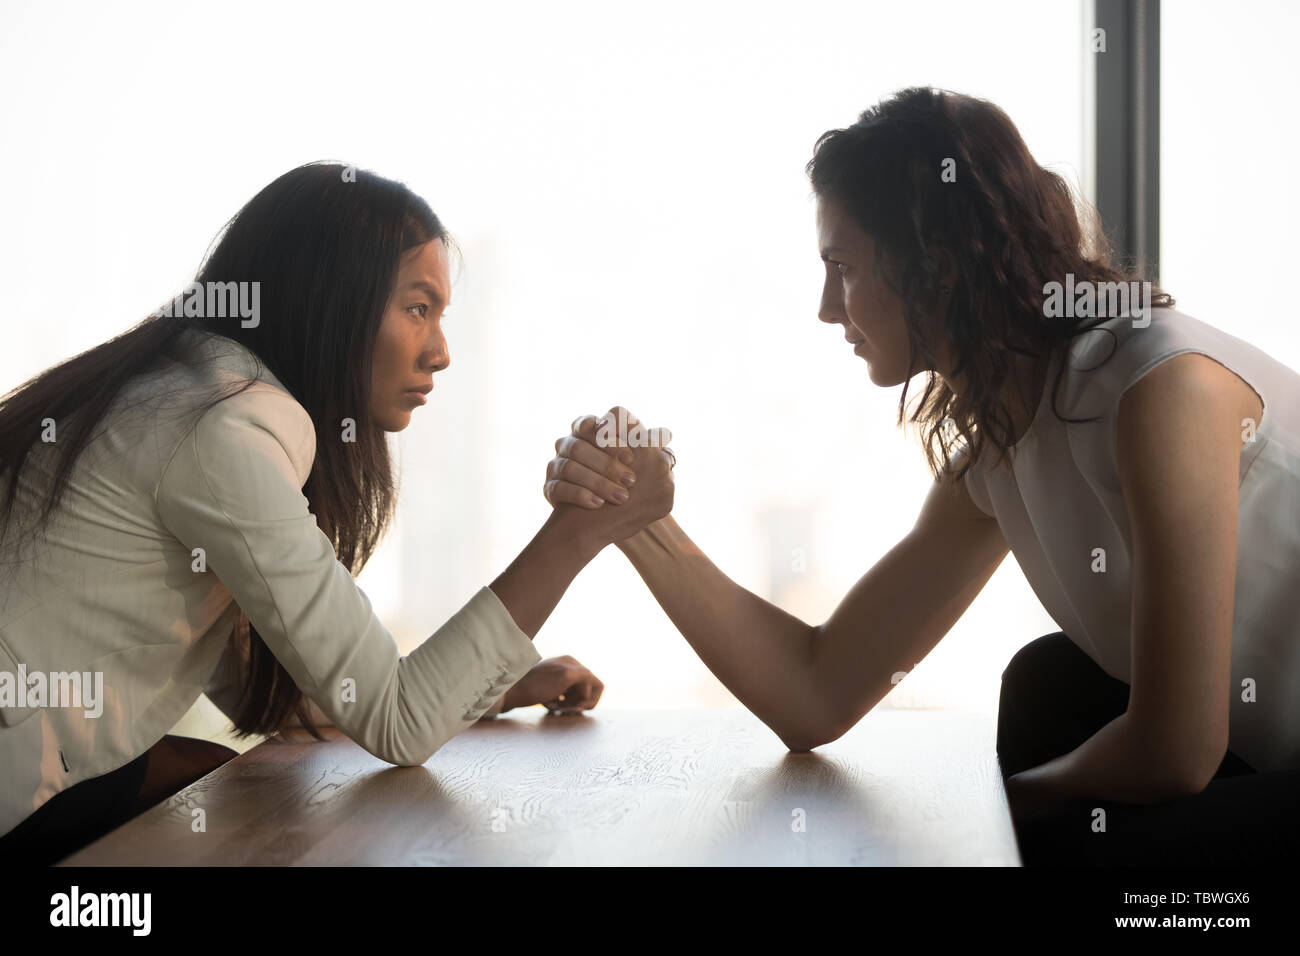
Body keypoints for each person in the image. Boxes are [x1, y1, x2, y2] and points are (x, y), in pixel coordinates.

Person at [542, 87, 1300, 866]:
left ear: (934, 267)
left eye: (842, 267)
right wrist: (638, 520)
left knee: (1068, 736)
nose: (827, 309)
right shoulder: (1000, 451)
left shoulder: (1163, 390)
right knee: (1050, 685)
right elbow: (817, 691)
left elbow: (1176, 750)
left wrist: (1003, 808)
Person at [0, 162, 674, 865]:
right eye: (419, 308)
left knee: (236, 794)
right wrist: (582, 528)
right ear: (332, 299)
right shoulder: (228, 425)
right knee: (258, 814)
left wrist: (487, 689)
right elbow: (396, 722)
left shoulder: (177, 388)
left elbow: (287, 697)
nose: (441, 353)